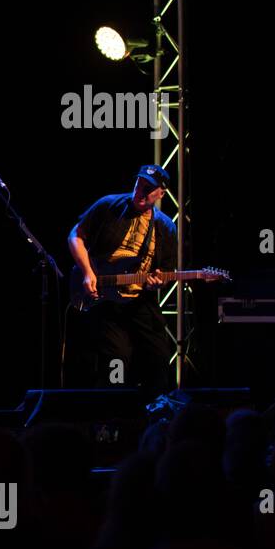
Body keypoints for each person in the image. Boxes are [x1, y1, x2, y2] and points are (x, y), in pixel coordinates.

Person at [67, 164, 175, 398]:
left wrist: (158, 282)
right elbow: (75, 235)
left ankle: (154, 416)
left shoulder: (166, 226)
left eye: (149, 189)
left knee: (159, 355)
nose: (141, 192)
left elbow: (163, 271)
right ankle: (109, 418)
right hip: (105, 299)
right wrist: (88, 272)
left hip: (139, 299)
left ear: (161, 193)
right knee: (117, 359)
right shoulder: (109, 205)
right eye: (139, 184)